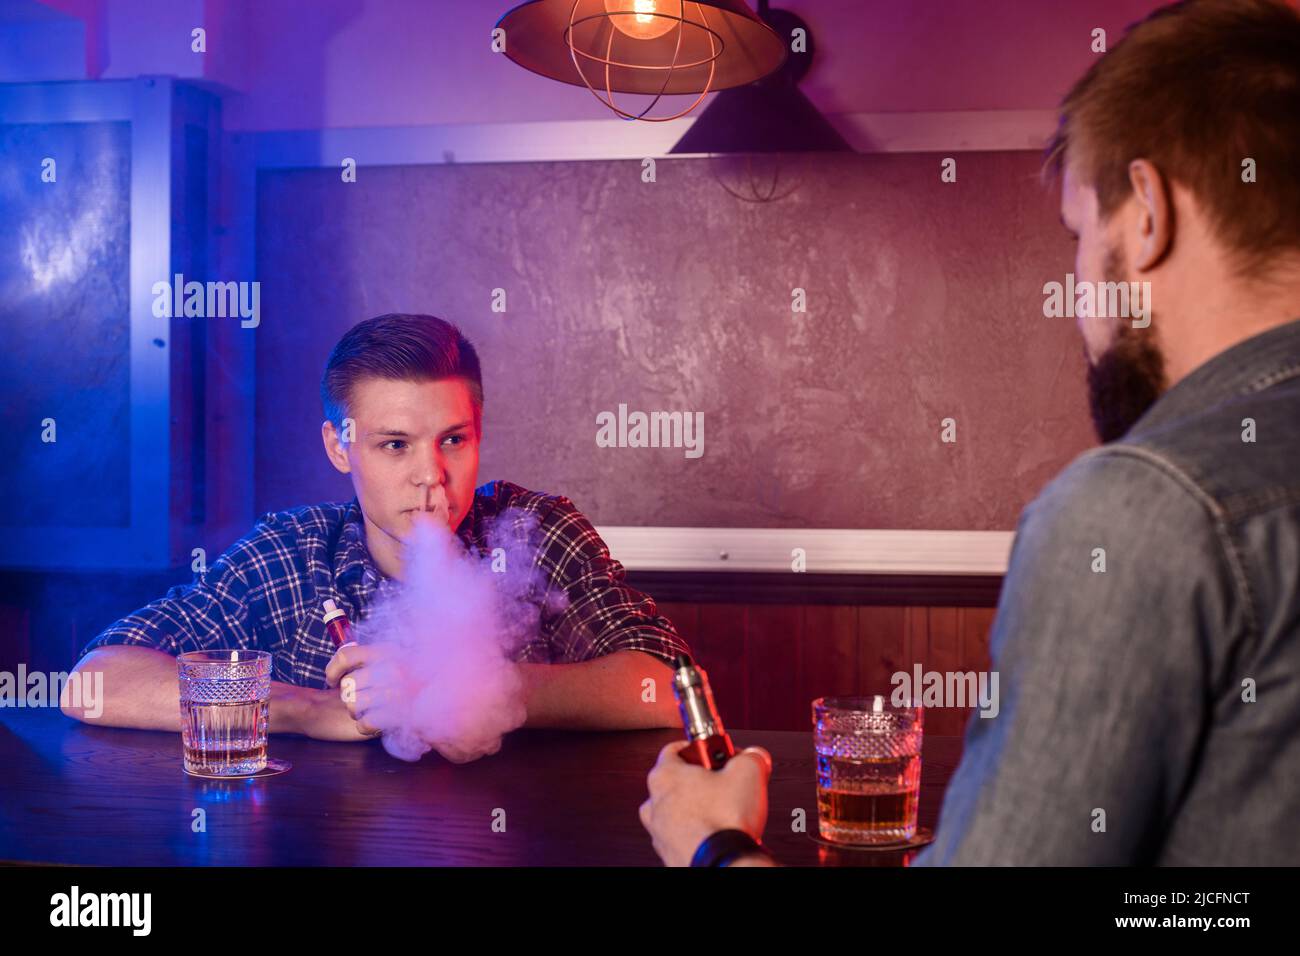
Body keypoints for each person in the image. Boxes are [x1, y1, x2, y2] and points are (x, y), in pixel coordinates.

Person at [641, 0, 1300, 866]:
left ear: (1145, 215)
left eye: (1077, 234)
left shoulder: (1144, 509)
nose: (1079, 292)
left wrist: (715, 846)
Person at [63, 313, 690, 753]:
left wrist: (463, 687)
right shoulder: (292, 553)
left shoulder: (538, 531)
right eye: (395, 445)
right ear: (340, 447)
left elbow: (670, 690)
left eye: (453, 440)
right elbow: (94, 683)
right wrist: (313, 713)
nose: (431, 477)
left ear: (479, 434)